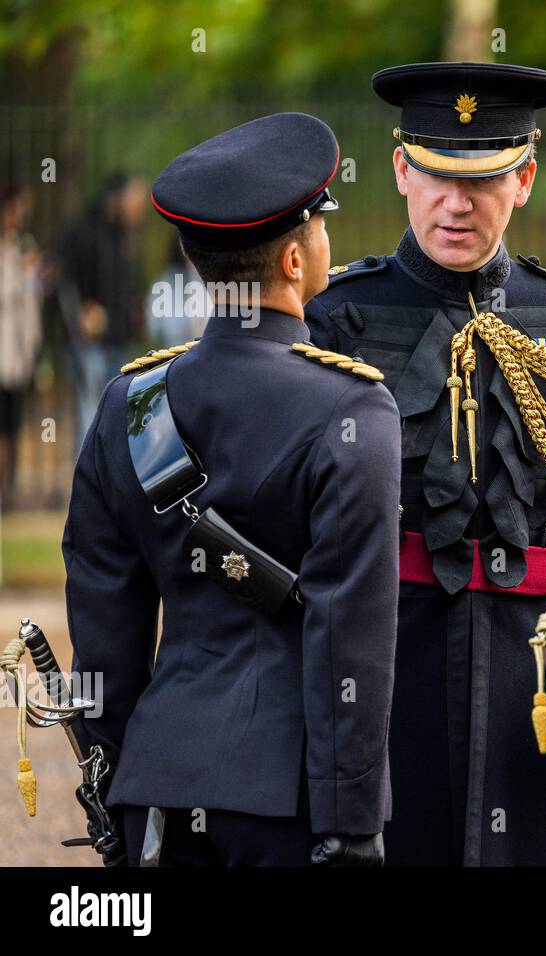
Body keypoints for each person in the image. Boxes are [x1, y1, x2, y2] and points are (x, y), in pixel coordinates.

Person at [64, 112, 402, 866]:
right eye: (318, 227)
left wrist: (118, 783)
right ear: (292, 259)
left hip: (162, 781)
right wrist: (352, 824)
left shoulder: (131, 403)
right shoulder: (350, 407)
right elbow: (351, 634)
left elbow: (104, 635)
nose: (326, 243)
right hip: (294, 803)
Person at [304, 62, 546, 866]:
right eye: (436, 175)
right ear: (402, 169)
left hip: (531, 668)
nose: (457, 203)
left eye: (484, 179)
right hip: (390, 656)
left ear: (526, 177)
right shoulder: (338, 317)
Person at [59, 173, 148, 445]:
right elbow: (65, 280)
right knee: (90, 412)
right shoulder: (84, 229)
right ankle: (88, 479)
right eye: (136, 201)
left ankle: (107, 480)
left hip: (120, 339)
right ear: (119, 198)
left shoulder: (126, 236)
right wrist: (81, 314)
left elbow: (131, 286)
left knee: (116, 414)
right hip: (91, 342)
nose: (140, 210)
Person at [0, 180, 43, 504]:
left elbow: (29, 299)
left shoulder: (18, 246)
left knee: (13, 425)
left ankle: (8, 490)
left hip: (15, 353)